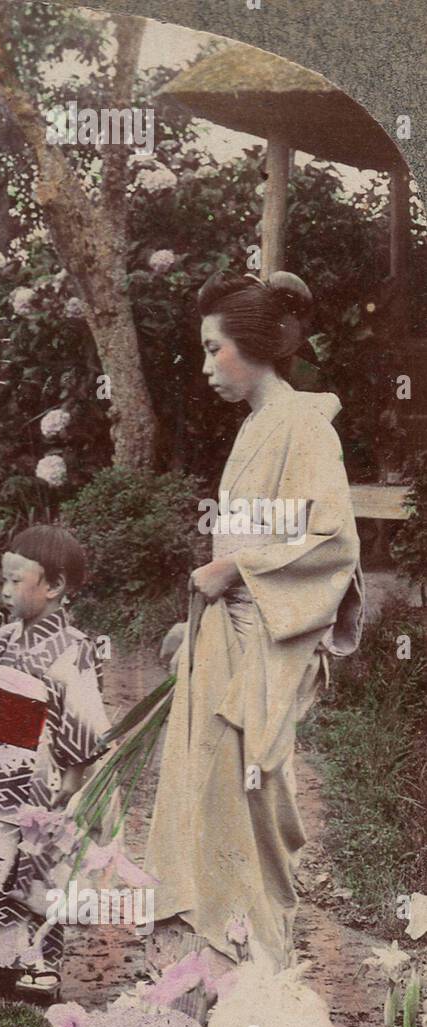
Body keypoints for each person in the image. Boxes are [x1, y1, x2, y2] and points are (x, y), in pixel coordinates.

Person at [141, 269, 362, 972]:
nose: (207, 365)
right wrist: (200, 612)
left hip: (268, 638)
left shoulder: (300, 424)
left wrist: (234, 572)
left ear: (256, 345)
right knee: (209, 791)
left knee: (253, 794)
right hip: (229, 631)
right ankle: (215, 964)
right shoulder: (257, 427)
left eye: (214, 348)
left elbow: (332, 540)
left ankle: (259, 966)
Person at [0, 526, 109, 997]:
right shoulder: (4, 638)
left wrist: (73, 778)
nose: (7, 590)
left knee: (33, 863)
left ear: (53, 586)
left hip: (37, 769)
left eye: (17, 581)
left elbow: (82, 716)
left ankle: (39, 959)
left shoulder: (74, 646)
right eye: (5, 579)